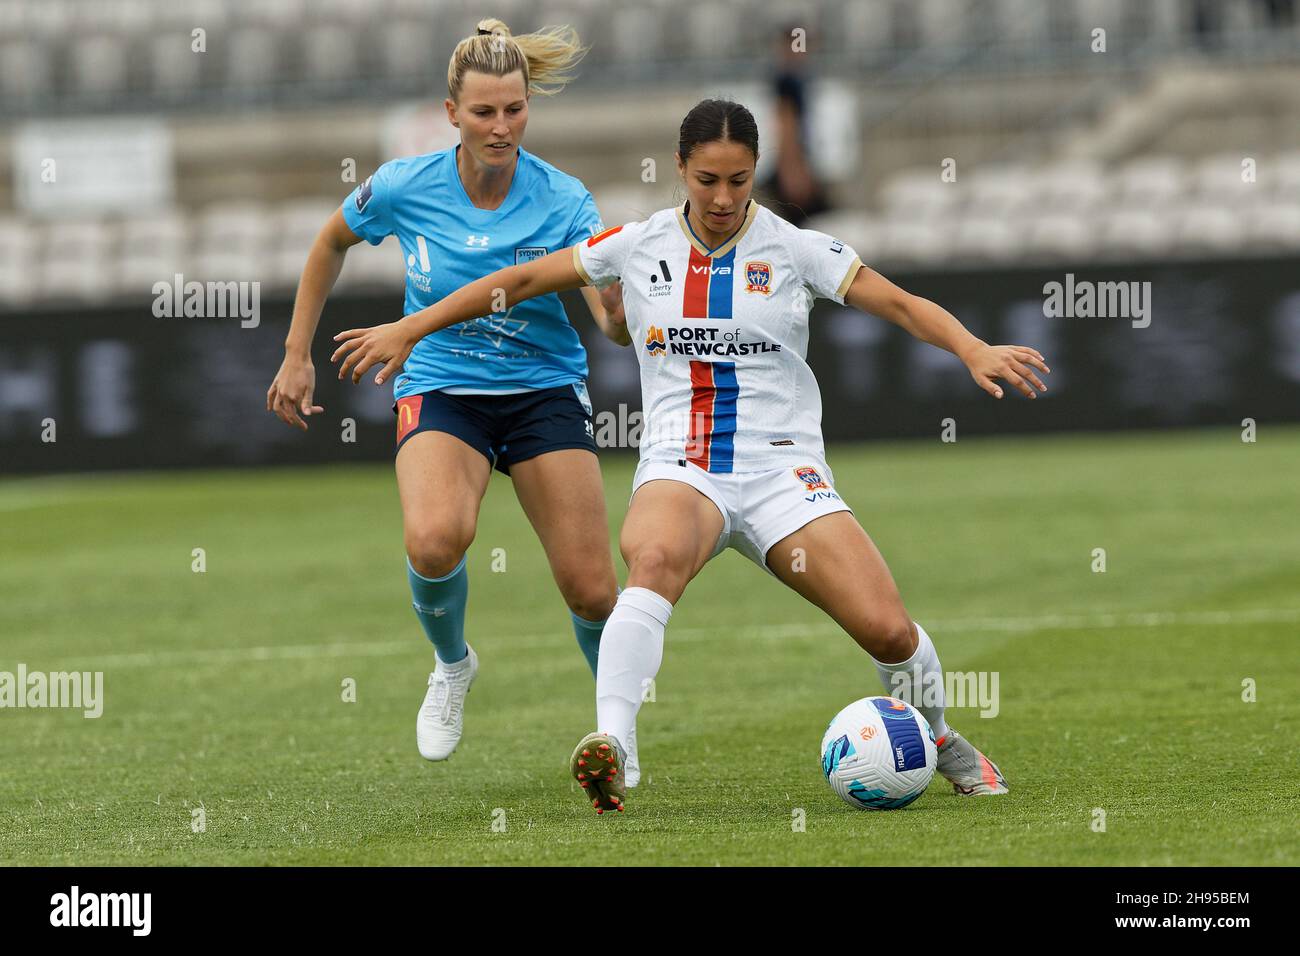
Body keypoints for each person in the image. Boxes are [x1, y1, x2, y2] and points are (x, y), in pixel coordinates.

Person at [329, 99, 1051, 814]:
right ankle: (613, 745)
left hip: (782, 473)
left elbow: (894, 302)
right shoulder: (635, 245)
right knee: (652, 561)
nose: (723, 198)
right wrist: (412, 327)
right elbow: (513, 284)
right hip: (682, 466)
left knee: (889, 630)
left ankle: (943, 738)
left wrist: (971, 347)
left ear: (756, 174)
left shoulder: (792, 247)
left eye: (738, 180)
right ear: (680, 169)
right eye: (707, 179)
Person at [266, 19, 636, 774]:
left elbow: (607, 317)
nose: (501, 127)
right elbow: (329, 242)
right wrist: (295, 352)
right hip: (442, 385)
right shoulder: (405, 185)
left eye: (514, 110)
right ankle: (452, 663)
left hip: (542, 392)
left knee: (595, 592)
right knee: (435, 539)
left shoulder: (566, 199)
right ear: (451, 114)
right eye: (484, 112)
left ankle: (616, 731)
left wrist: (621, 316)